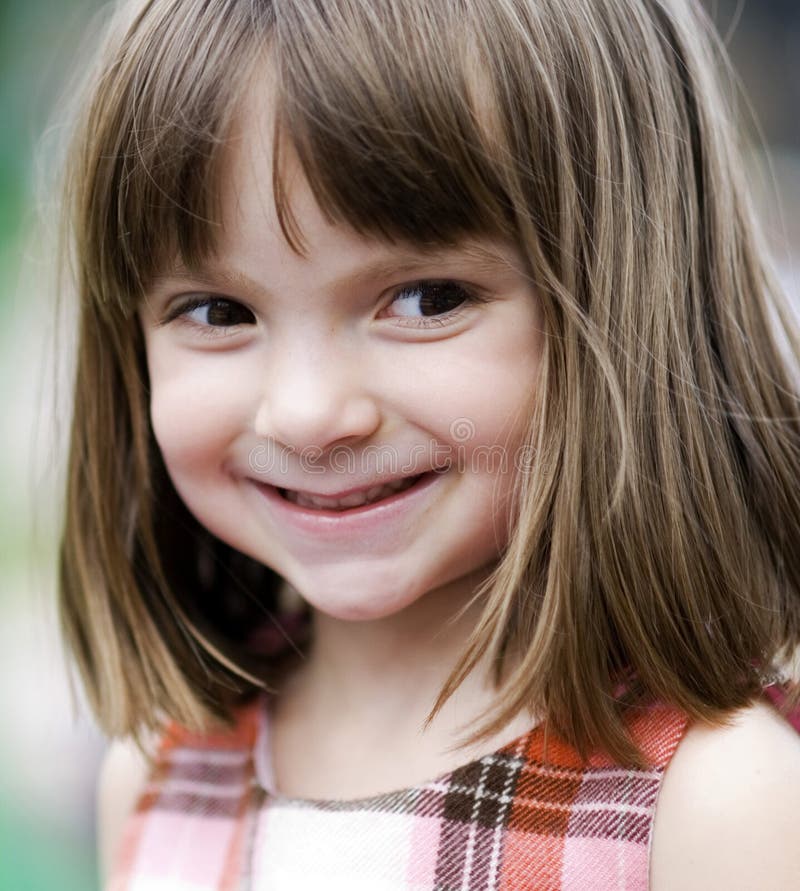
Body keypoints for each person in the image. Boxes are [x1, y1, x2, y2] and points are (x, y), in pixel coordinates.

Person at [57, 0, 800, 888]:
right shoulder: (158, 780)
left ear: (622, 299)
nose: (304, 414)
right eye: (219, 312)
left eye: (426, 299)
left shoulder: (718, 802)